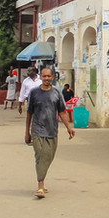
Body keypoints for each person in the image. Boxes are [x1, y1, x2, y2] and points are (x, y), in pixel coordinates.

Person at [24, 67, 75, 199]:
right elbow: (29, 113)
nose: (46, 78)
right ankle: (40, 185)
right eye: (44, 76)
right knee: (40, 155)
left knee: (48, 156)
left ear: (52, 77)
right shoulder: (34, 93)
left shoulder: (56, 93)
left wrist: (69, 128)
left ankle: (42, 180)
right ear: (40, 77)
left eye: (48, 76)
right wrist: (27, 132)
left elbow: (62, 112)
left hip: (52, 130)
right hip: (37, 130)